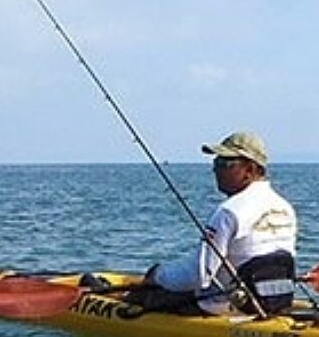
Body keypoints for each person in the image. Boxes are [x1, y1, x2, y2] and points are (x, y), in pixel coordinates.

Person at [126, 131, 297, 316]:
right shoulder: (285, 208)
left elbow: (199, 276)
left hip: (219, 306)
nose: (215, 170)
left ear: (250, 170)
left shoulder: (228, 212)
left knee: (141, 296)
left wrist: (158, 275)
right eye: (216, 163)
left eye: (224, 164)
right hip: (273, 303)